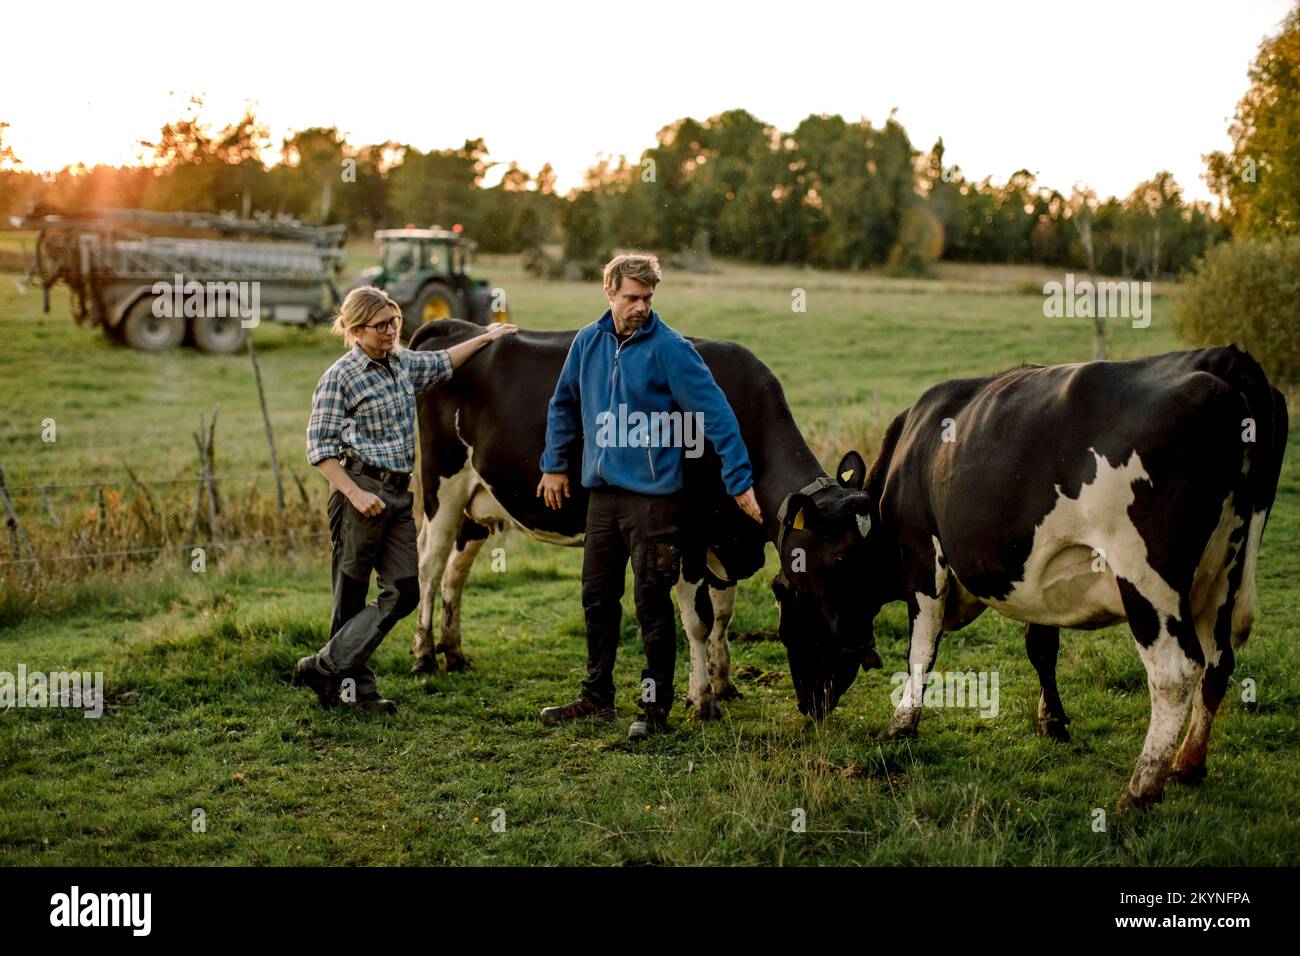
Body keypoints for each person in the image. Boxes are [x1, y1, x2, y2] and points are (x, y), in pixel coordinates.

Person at [536, 254, 762, 740]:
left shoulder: (671, 350)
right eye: (631, 297)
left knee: (652, 605)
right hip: (602, 498)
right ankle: (596, 698)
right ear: (609, 293)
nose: (640, 306)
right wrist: (554, 464)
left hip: (655, 502)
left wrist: (739, 480)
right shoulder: (587, 343)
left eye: (648, 298)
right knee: (597, 598)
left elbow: (717, 414)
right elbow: (563, 405)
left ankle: (653, 711)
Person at [297, 286, 517, 713]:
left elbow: (441, 363)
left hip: (399, 495)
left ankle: (324, 666)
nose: (392, 332)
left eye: (395, 323)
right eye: (382, 326)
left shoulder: (400, 364)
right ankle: (352, 691)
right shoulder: (340, 377)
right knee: (351, 594)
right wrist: (356, 494)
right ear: (356, 329)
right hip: (359, 491)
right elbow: (319, 449)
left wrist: (487, 337)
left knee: (404, 590)